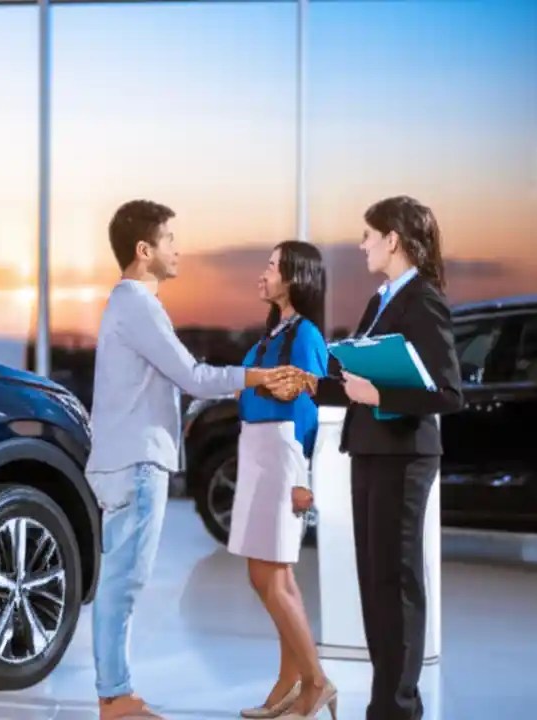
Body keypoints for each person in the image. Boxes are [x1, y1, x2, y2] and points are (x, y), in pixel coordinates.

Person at [87, 200, 291, 720]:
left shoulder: (127, 307)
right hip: (136, 463)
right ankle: (115, 699)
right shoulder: (137, 305)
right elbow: (194, 376)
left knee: (120, 581)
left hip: (124, 458)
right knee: (123, 584)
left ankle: (117, 693)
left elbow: (174, 384)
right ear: (144, 250)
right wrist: (258, 377)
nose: (178, 248)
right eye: (170, 238)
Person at [272, 196, 462, 720]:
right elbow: (360, 383)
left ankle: (395, 708)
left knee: (397, 584)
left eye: (368, 236)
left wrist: (381, 397)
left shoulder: (423, 299)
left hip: (404, 457)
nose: (362, 245)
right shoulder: (382, 300)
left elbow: (447, 392)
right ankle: (390, 703)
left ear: (392, 240)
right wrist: (314, 384)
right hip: (372, 453)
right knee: (376, 583)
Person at [230, 241, 335, 720]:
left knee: (270, 577)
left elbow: (307, 408)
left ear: (294, 277)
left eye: (271, 267)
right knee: (273, 576)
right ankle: (290, 682)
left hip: (281, 455)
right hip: (257, 451)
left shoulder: (307, 335)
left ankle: (316, 682)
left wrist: (302, 476)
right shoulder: (273, 334)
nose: (263, 274)